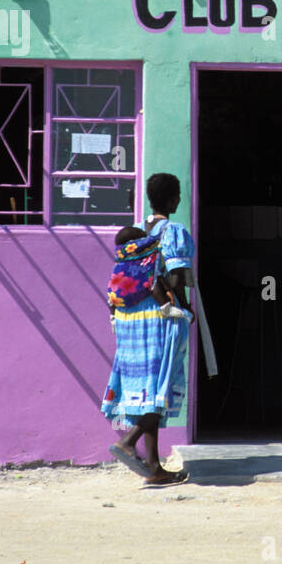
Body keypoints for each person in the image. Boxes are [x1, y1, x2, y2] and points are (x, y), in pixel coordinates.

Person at [102, 173, 195, 486]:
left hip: (129, 321)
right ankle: (128, 442)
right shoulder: (173, 231)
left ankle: (154, 466)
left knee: (147, 389)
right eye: (177, 197)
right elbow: (179, 277)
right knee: (160, 387)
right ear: (173, 201)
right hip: (158, 317)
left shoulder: (138, 231)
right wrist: (184, 309)